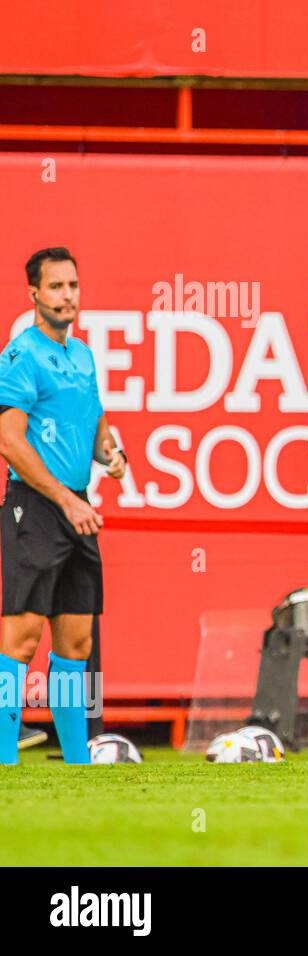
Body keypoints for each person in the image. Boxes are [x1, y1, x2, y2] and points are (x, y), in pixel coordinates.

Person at [0, 248, 128, 765]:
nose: (67, 295)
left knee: (76, 643)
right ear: (34, 294)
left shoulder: (83, 355)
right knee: (21, 638)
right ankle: (5, 762)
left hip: (78, 506)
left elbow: (97, 428)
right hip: (35, 505)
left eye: (73, 285)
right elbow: (9, 441)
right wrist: (62, 501)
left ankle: (77, 767)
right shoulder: (19, 354)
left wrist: (112, 455)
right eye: (56, 287)